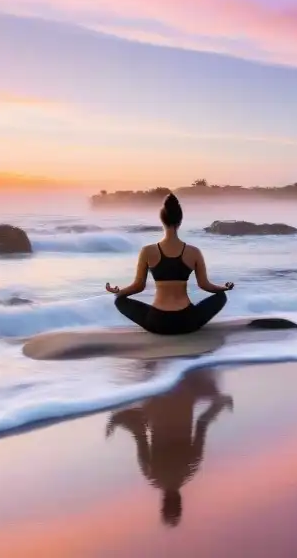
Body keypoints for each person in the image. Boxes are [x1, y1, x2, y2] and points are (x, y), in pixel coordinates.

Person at [106, 369, 234, 528]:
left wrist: (219, 403)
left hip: (181, 395)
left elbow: (202, 423)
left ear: (180, 500)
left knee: (182, 374)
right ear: (163, 502)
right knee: (152, 377)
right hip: (158, 398)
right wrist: (117, 418)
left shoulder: (189, 468)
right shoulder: (153, 473)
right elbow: (139, 431)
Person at [106, 192, 234, 336]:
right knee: (221, 296)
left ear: (162, 220)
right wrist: (223, 288)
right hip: (187, 322)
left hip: (157, 322)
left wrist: (118, 292)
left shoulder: (147, 251)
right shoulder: (194, 252)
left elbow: (138, 287)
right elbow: (205, 285)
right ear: (180, 221)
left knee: (119, 301)